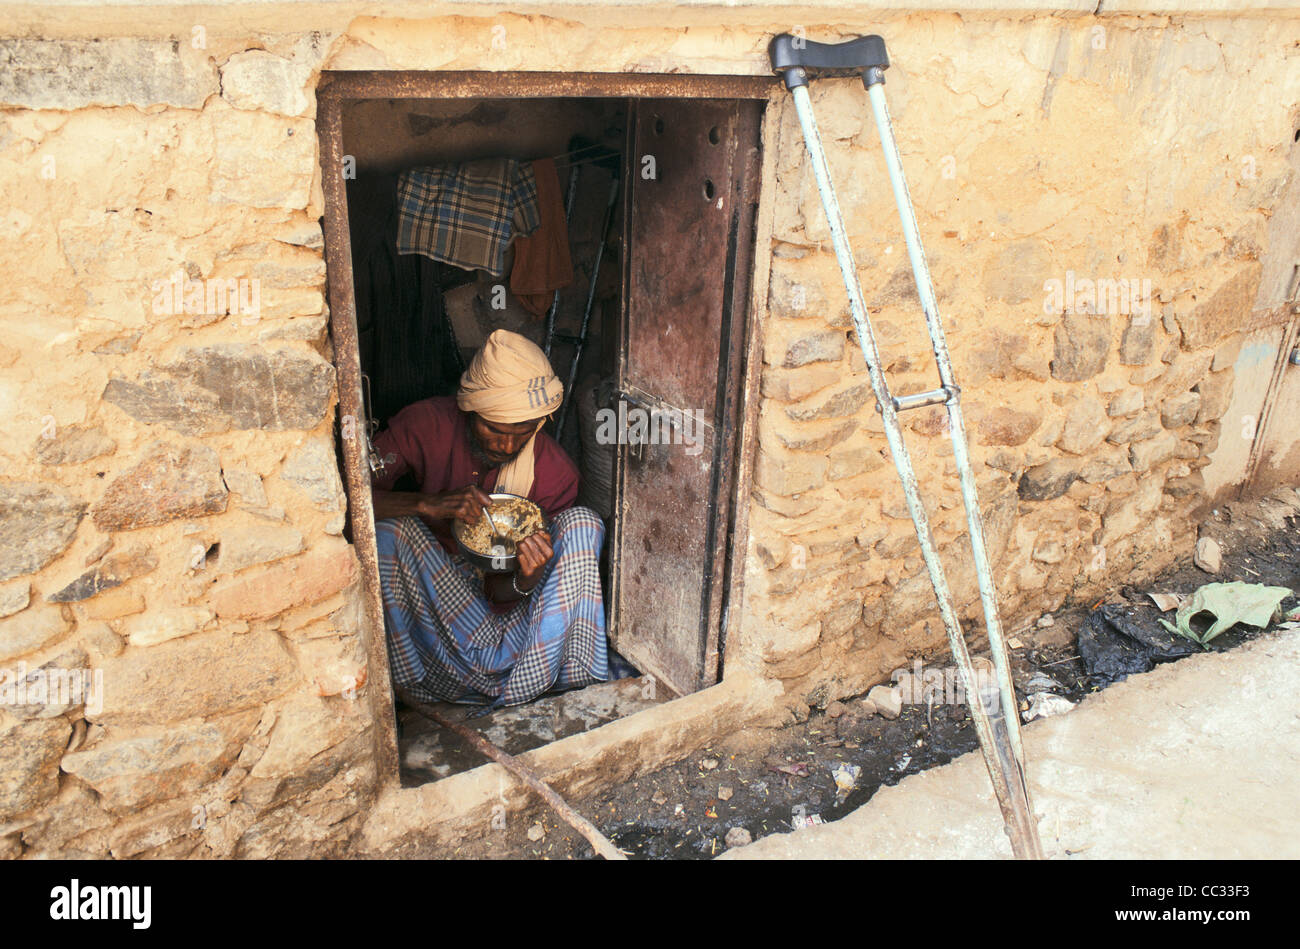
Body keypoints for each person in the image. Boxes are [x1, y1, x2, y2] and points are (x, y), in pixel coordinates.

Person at [370, 329, 631, 708]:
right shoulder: (426, 425)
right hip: (437, 598)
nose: (506, 446)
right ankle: (411, 688)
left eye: (522, 434)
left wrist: (528, 577)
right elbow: (344, 499)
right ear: (470, 410)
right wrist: (425, 504)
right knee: (389, 532)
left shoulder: (554, 473)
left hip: (512, 625)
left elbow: (500, 595)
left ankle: (532, 686)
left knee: (584, 524)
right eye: (492, 429)